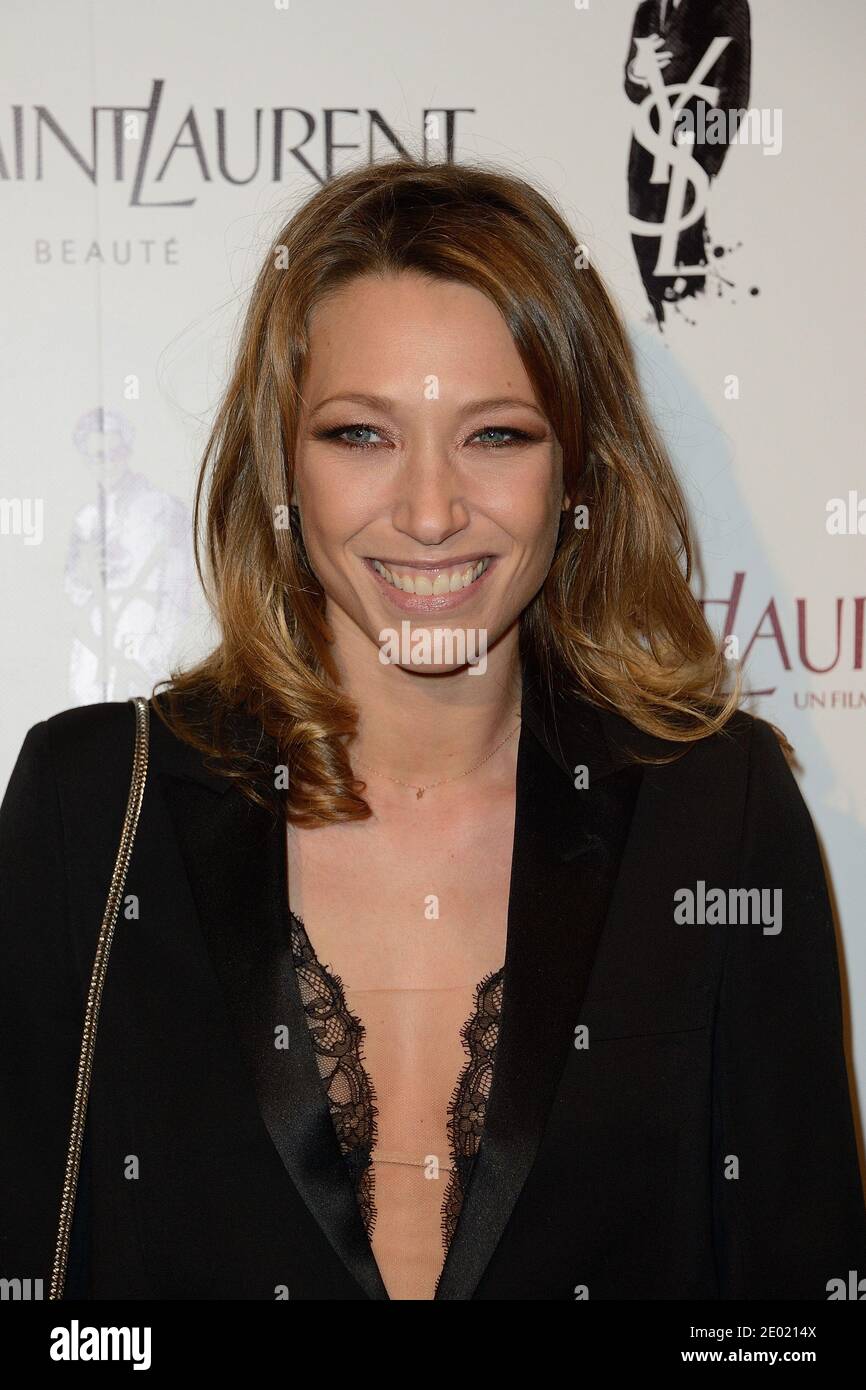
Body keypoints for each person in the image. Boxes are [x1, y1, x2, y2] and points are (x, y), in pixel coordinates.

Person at [1, 157, 864, 1301]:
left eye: (494, 435)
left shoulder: (713, 807)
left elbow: (793, 1311)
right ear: (282, 465)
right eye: (360, 434)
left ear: (576, 467)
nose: (426, 511)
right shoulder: (94, 801)